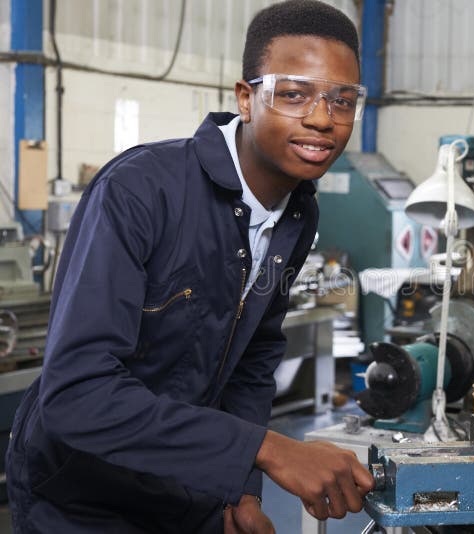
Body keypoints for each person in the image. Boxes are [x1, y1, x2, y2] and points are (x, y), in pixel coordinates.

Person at [6, 1, 374, 532]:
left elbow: (253, 359)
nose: (322, 118)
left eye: (342, 101)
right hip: (82, 499)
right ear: (246, 99)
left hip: (186, 489)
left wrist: (239, 492)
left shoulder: (298, 211)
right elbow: (77, 393)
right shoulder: (139, 191)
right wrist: (268, 451)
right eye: (293, 94)